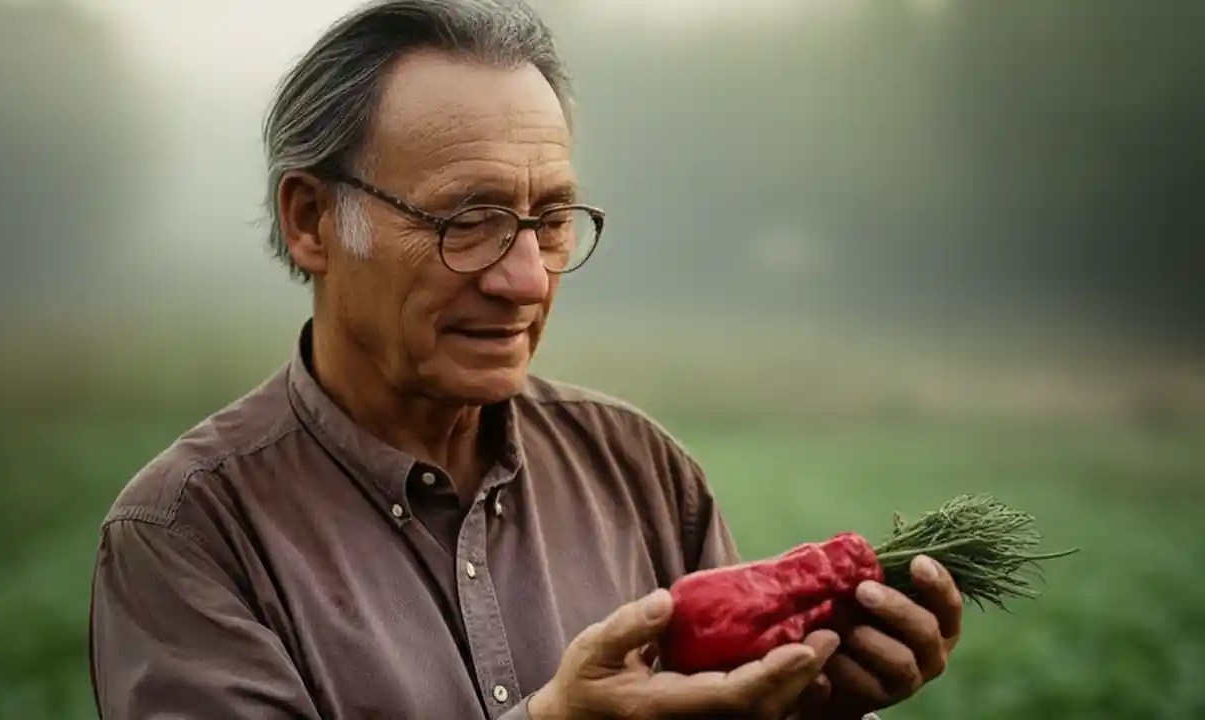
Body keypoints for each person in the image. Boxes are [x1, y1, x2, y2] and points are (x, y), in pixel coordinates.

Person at [88, 1, 963, 718]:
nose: (524, 279)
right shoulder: (187, 536)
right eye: (466, 220)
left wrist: (807, 707)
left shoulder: (641, 472)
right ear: (311, 221)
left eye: (550, 220)